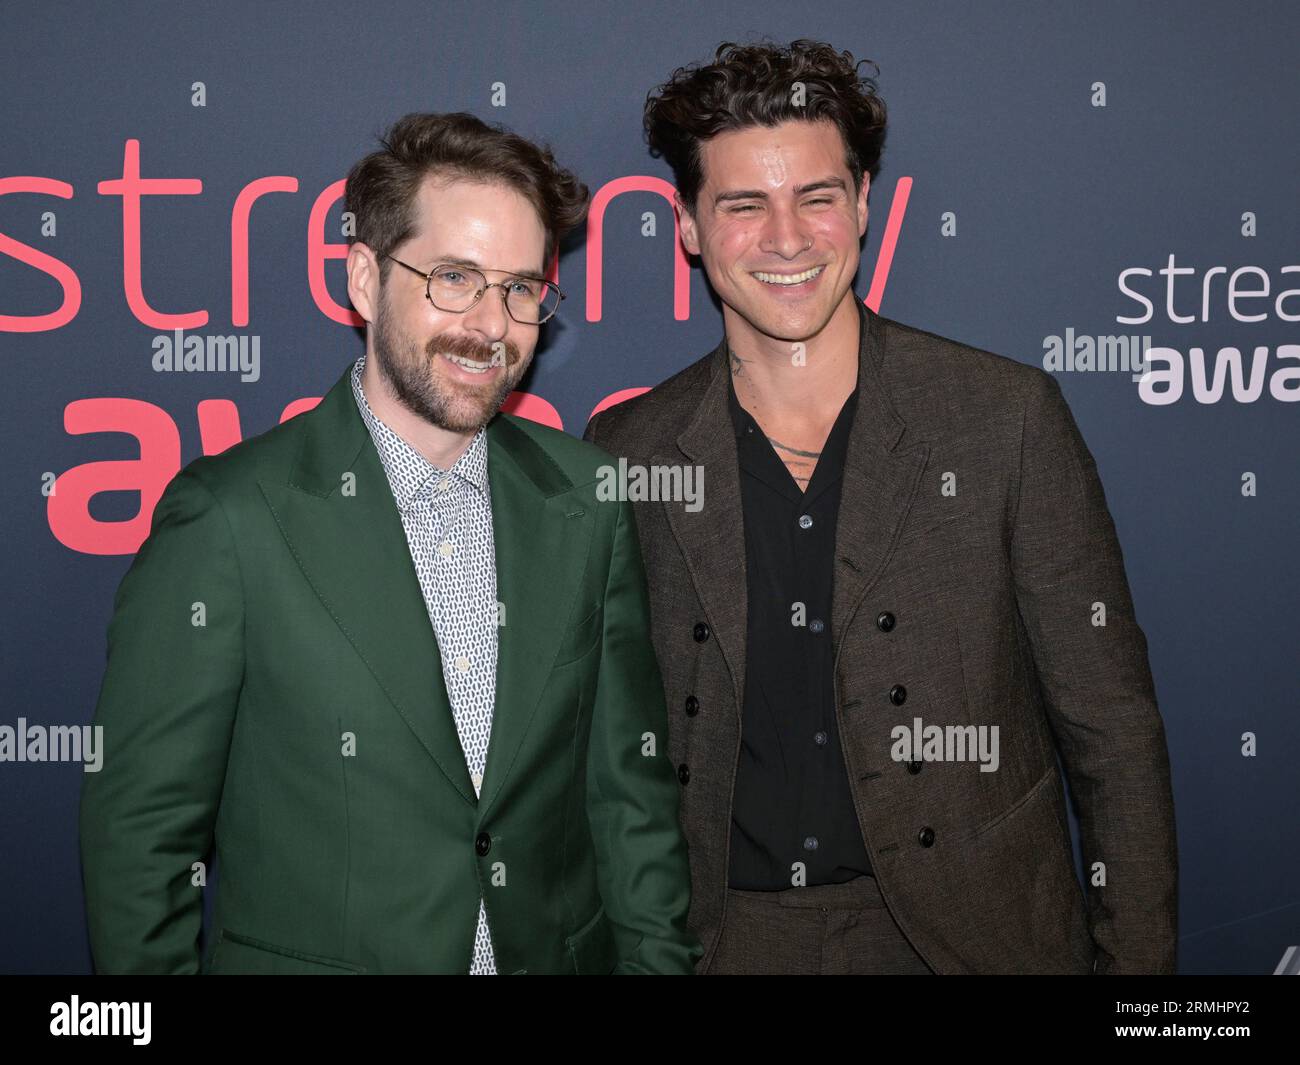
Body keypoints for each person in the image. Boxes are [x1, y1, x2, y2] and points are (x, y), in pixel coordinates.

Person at [584, 39, 1177, 974]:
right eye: (744, 205)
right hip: (727, 944)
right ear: (690, 227)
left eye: (816, 197)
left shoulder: (1002, 417)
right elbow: (608, 761)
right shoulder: (627, 452)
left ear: (863, 204)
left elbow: (1112, 732)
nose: (787, 237)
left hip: (974, 940)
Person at [80, 111, 700, 975]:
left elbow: (628, 800)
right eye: (454, 277)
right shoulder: (229, 518)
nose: (492, 325)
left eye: (522, 288)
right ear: (365, 281)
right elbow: (140, 840)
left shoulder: (588, 499)